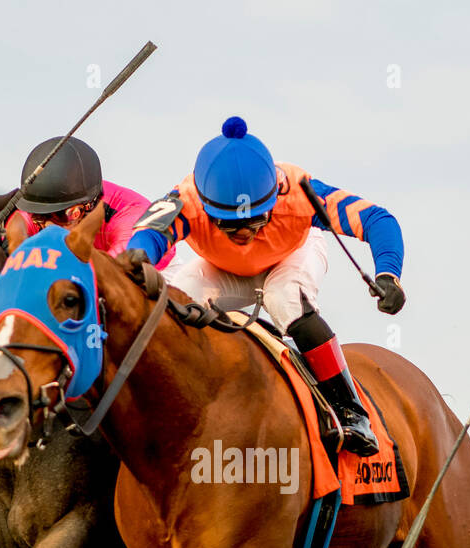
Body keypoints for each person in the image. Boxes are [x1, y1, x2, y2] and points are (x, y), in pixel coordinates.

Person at [125, 117, 407, 455]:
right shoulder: (186, 199)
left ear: (273, 198)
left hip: (292, 256)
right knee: (178, 297)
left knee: (284, 297)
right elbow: (148, 236)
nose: (244, 234)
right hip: (223, 269)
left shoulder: (299, 193)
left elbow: (377, 219)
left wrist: (388, 274)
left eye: (256, 219)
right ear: (204, 204)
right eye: (228, 224)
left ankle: (351, 410)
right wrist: (139, 258)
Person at [8, 136, 173, 269]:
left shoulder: (131, 215)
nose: (52, 229)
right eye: (40, 219)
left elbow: (114, 270)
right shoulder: (38, 213)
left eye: (66, 215)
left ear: (91, 204)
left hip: (155, 271)